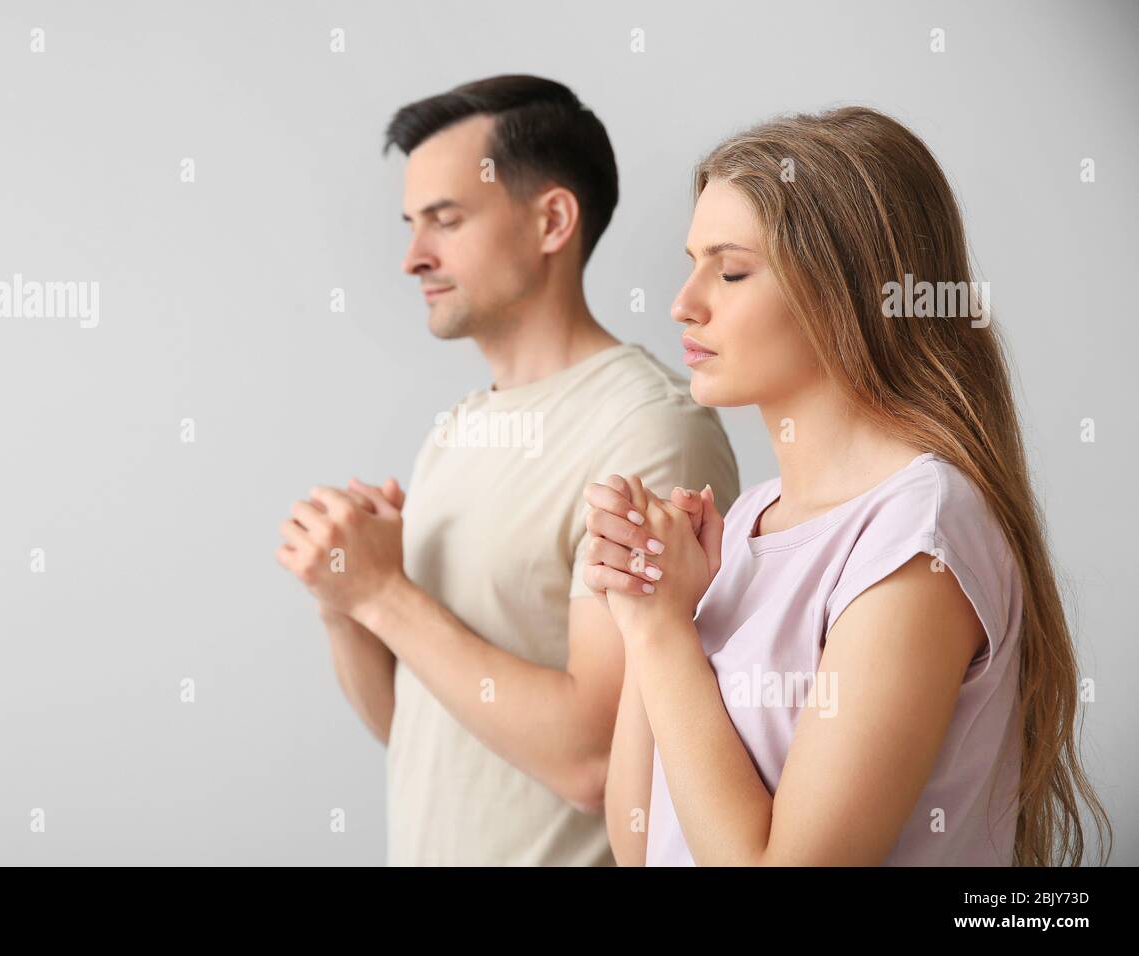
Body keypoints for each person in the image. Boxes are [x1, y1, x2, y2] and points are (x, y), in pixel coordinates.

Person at [583, 106, 1112, 866]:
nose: (684, 302)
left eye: (730, 270)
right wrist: (647, 613)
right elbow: (640, 846)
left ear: (847, 293)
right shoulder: (747, 522)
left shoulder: (919, 535)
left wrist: (667, 637)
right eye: (692, 262)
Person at [276, 75, 739, 865]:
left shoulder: (649, 430)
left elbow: (592, 764)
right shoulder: (456, 431)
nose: (413, 258)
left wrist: (384, 596)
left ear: (552, 220)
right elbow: (422, 728)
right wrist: (341, 600)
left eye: (444, 221)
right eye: (411, 225)